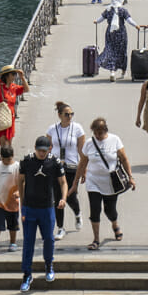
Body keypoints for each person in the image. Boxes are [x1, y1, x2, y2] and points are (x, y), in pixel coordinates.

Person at [70, 115, 136, 249]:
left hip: (110, 182)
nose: (97, 136)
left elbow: (124, 159)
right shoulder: (89, 143)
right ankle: (96, 240)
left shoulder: (115, 140)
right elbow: (82, 163)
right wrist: (74, 184)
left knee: (109, 210)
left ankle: (114, 223)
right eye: (95, 133)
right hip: (93, 181)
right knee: (95, 210)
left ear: (105, 130)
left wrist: (130, 177)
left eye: (100, 133)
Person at [17, 135, 66, 294]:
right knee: (28, 242)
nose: (42, 153)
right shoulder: (27, 161)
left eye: (44, 151)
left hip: (47, 207)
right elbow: (20, 181)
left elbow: (63, 182)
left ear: (49, 149)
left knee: (49, 239)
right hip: (30, 207)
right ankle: (27, 274)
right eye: (39, 150)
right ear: (35, 148)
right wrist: (22, 203)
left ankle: (49, 265)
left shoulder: (54, 162)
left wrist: (63, 198)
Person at [50, 101, 85, 236]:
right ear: (59, 115)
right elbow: (47, 149)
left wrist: (84, 169)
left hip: (72, 166)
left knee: (70, 195)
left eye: (71, 114)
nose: (69, 116)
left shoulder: (77, 129)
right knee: (58, 197)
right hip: (56, 167)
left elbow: (82, 151)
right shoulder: (52, 129)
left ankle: (77, 213)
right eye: (66, 114)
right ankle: (60, 227)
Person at [0, 141, 20, 257]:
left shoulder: (16, 167)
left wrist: (18, 193)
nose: (7, 162)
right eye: (5, 160)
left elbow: (22, 183)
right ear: (1, 158)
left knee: (13, 223)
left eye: (9, 159)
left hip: (12, 201)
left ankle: (13, 242)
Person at [95, 0, 138, 80]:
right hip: (121, 33)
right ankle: (123, 70)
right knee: (122, 51)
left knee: (111, 51)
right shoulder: (123, 11)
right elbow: (129, 20)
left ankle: (112, 71)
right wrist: (136, 25)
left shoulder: (108, 10)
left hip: (110, 33)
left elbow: (100, 19)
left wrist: (95, 21)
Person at [0, 63, 29, 149]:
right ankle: (4, 159)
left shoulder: (13, 87)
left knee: (9, 143)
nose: (15, 76)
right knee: (4, 145)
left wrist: (22, 77)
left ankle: (8, 159)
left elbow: (26, 89)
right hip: (2, 117)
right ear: (7, 76)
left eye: (15, 74)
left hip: (11, 118)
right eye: (13, 74)